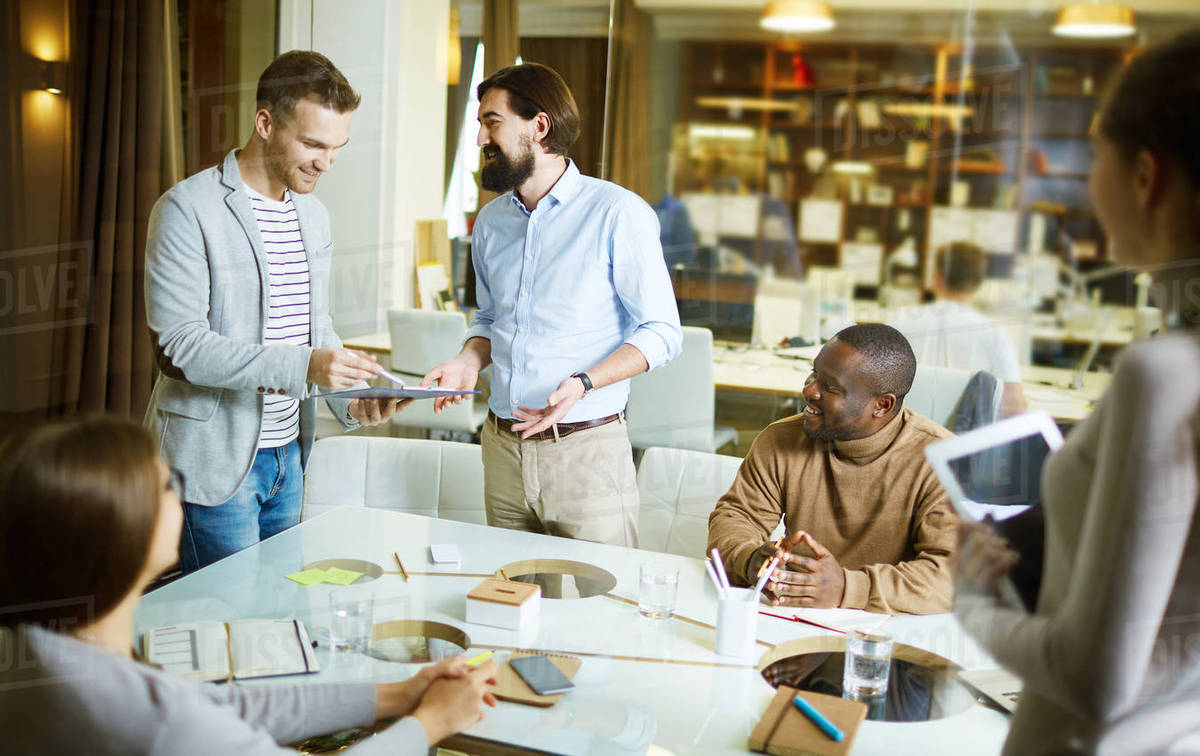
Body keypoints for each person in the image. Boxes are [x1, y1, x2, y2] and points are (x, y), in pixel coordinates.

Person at [955, 31, 1200, 754]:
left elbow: (1095, 676)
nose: (1086, 179)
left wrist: (971, 602)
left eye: (1095, 155)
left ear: (1146, 174)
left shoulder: (1162, 374)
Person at [0, 416, 497, 754]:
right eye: (167, 482)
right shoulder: (152, 718)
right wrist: (430, 723)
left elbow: (218, 706)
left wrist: (398, 694)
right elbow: (186, 717)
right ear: (124, 533)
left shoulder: (34, 655)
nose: (181, 492)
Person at [144, 51, 405, 573]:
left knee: (278, 616)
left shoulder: (314, 213)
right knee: (231, 623)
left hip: (289, 454)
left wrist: (349, 397)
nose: (325, 162)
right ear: (265, 123)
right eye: (312, 144)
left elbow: (315, 327)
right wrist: (306, 368)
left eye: (336, 148)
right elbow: (179, 347)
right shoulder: (186, 209)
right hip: (214, 464)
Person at [423, 63, 682, 547]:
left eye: (491, 122)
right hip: (500, 449)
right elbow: (490, 318)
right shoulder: (492, 222)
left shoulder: (617, 213)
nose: (480, 138)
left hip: (587, 453)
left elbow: (662, 332)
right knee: (510, 599)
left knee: (602, 606)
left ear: (539, 127)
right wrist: (466, 360)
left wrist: (584, 383)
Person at [707, 323, 957, 614]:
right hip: (793, 618)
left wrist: (845, 589)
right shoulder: (780, 439)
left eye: (830, 387)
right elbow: (736, 517)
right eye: (814, 374)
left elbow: (953, 578)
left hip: (887, 633)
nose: (809, 390)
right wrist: (751, 560)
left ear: (882, 405)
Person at [888, 241, 1027, 418]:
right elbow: (1013, 409)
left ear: (937, 278)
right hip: (962, 443)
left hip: (903, 437)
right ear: (978, 284)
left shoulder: (899, 320)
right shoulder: (996, 333)